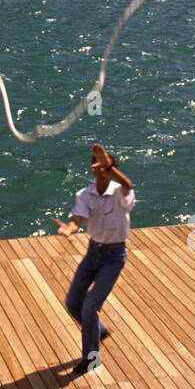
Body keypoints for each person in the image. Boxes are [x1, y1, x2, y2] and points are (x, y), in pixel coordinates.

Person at [55, 143, 134, 375]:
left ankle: (91, 358)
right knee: (72, 303)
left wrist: (110, 168)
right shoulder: (84, 194)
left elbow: (127, 185)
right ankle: (98, 330)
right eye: (97, 166)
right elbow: (78, 218)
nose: (99, 170)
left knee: (90, 306)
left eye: (105, 167)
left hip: (114, 256)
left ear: (111, 169)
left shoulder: (121, 193)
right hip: (93, 254)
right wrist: (70, 229)